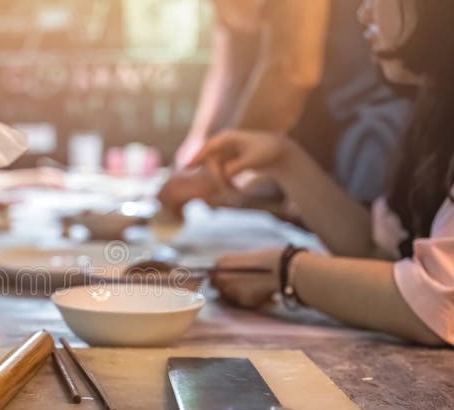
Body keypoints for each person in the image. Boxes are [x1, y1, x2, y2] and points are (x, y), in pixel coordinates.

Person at [191, 0, 452, 346]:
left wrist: (286, 270)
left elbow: (439, 302)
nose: (364, 12)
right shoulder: (433, 108)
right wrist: (284, 160)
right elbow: (376, 251)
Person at [158, 0, 410, 217]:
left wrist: (215, 171)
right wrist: (198, 146)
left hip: (375, 127)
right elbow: (227, 71)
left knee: (364, 256)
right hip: (325, 128)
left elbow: (292, 71)